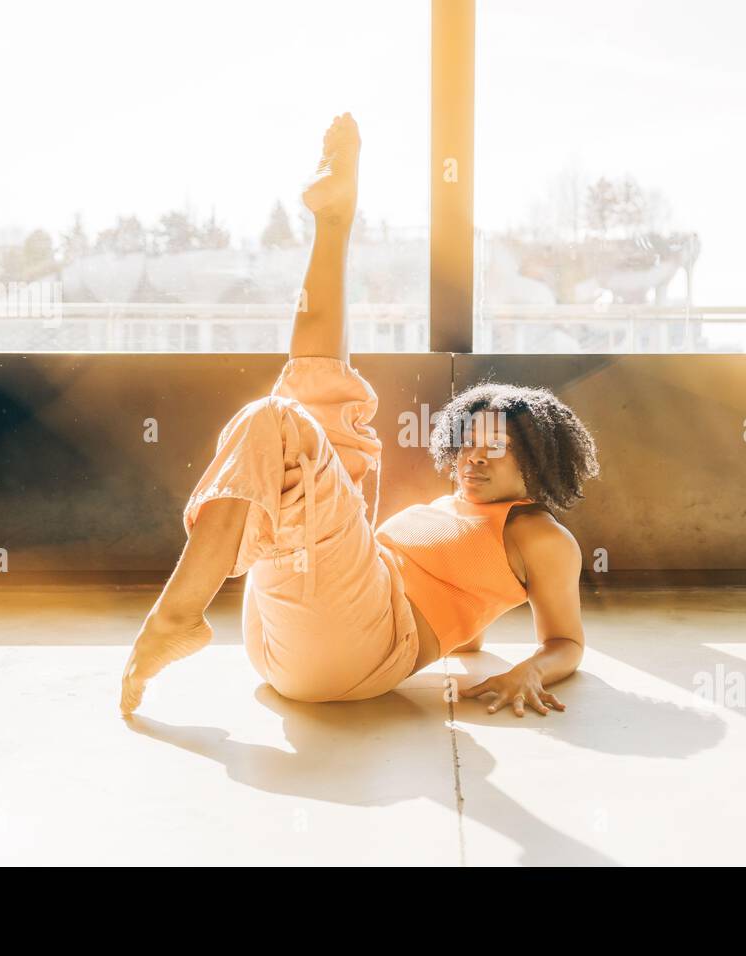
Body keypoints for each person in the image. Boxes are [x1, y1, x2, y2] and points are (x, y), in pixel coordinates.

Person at [119, 113, 599, 719]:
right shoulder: (452, 511)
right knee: (322, 406)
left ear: (539, 461)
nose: (473, 456)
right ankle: (332, 225)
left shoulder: (540, 536)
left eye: (496, 447)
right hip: (296, 635)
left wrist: (523, 671)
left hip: (359, 653)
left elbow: (566, 642)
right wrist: (463, 630)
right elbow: (465, 610)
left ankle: (176, 616)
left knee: (282, 422)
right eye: (467, 442)